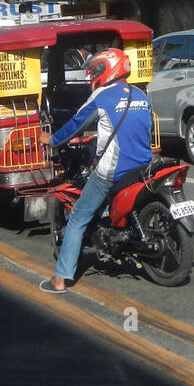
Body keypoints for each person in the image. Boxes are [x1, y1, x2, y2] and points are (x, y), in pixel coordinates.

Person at [38, 49, 153, 292]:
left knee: (78, 217)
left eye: (96, 71)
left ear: (107, 70)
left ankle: (60, 280)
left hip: (113, 171)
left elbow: (76, 125)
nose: (93, 77)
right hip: (143, 166)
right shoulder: (141, 95)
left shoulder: (102, 96)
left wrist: (51, 139)